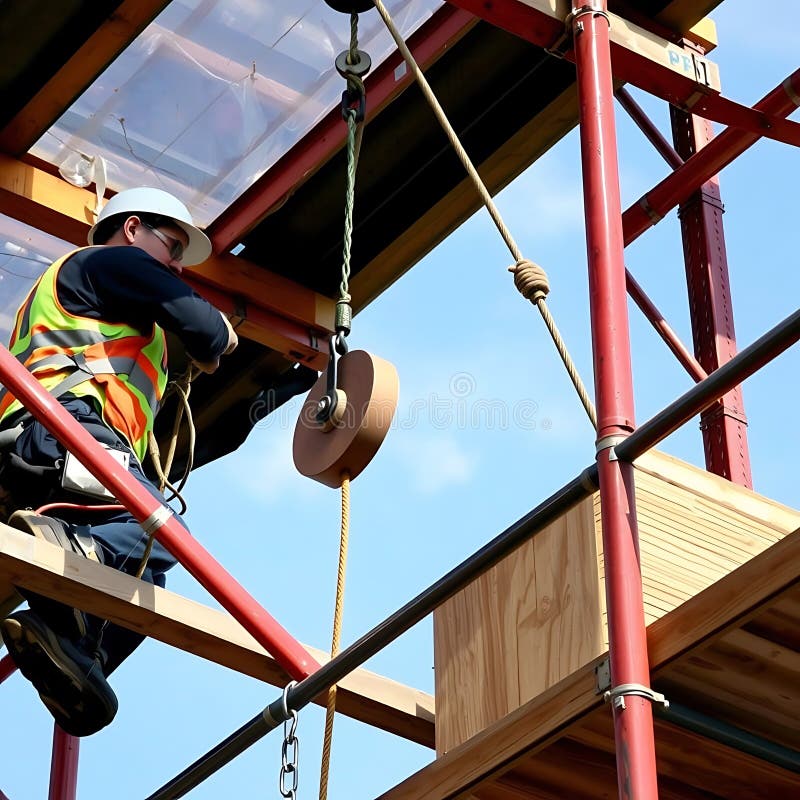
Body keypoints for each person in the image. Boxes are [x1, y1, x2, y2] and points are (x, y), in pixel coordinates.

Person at [0, 187, 238, 736]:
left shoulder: (124, 324)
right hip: (59, 432)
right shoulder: (105, 262)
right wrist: (218, 337)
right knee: (158, 529)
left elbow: (216, 432)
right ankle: (68, 547)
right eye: (171, 245)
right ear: (131, 230)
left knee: (146, 585)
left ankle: (78, 659)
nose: (176, 264)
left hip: (62, 453)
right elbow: (206, 326)